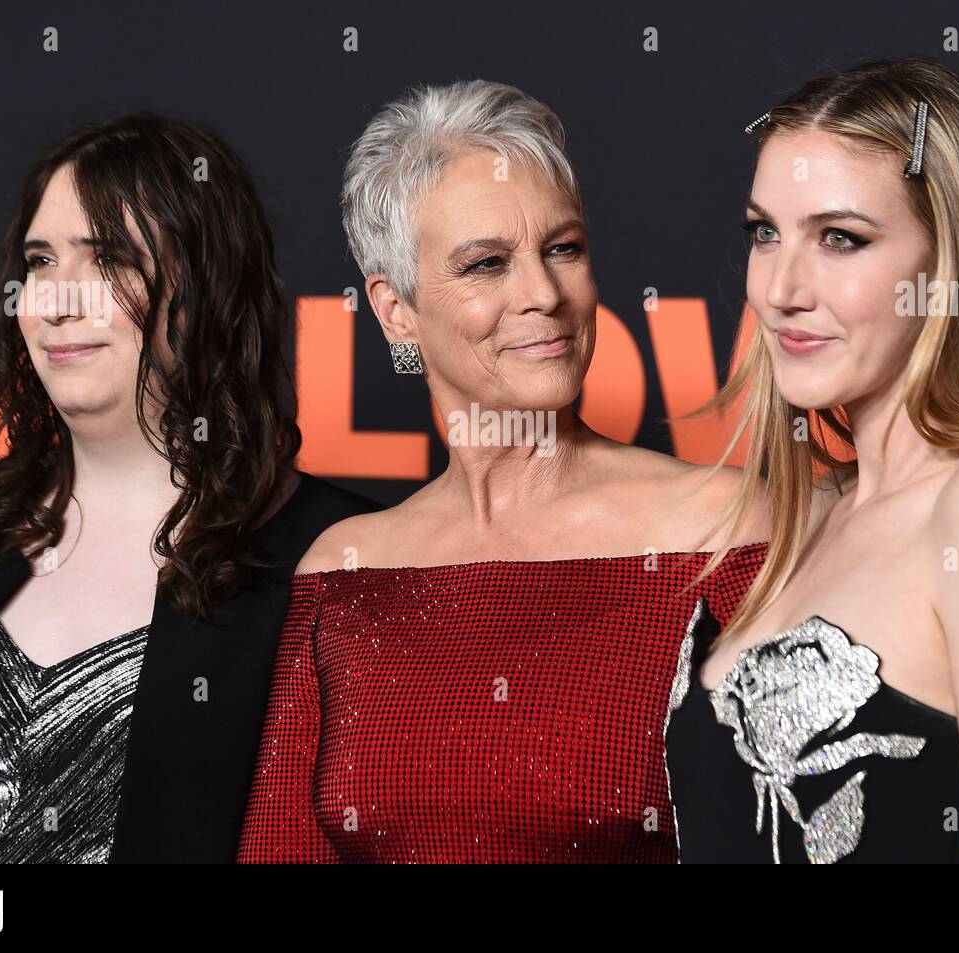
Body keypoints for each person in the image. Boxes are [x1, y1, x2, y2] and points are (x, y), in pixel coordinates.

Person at [237, 80, 769, 863]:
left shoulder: (727, 531)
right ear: (396, 311)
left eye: (564, 248)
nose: (544, 294)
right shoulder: (342, 571)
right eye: (487, 264)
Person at [0, 113, 377, 863]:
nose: (59, 300)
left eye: (108, 260)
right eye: (39, 260)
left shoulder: (330, 560)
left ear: (206, 287)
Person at [664, 58, 959, 864]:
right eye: (764, 232)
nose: (781, 288)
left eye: (841, 238)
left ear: (948, 268)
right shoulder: (817, 511)